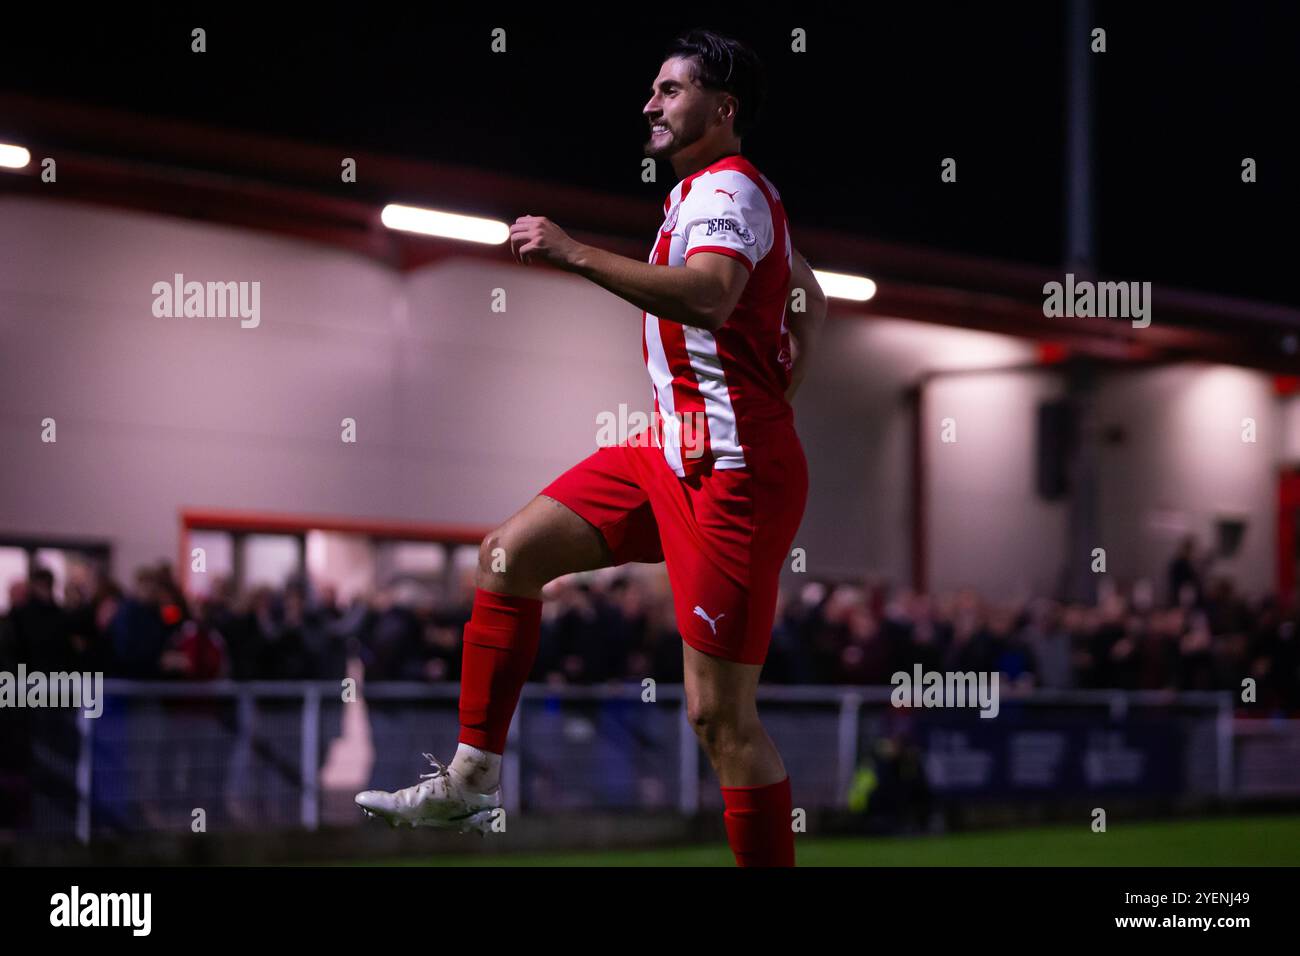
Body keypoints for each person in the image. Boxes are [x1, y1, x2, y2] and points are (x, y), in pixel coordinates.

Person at [356, 28, 827, 867]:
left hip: (731, 473)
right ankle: (469, 781)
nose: (649, 103)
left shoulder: (731, 188)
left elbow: (716, 298)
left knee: (720, 716)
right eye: (652, 88)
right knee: (507, 554)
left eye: (670, 89)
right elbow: (809, 297)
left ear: (722, 110)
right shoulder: (702, 197)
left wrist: (574, 252)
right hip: (668, 449)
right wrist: (781, 382)